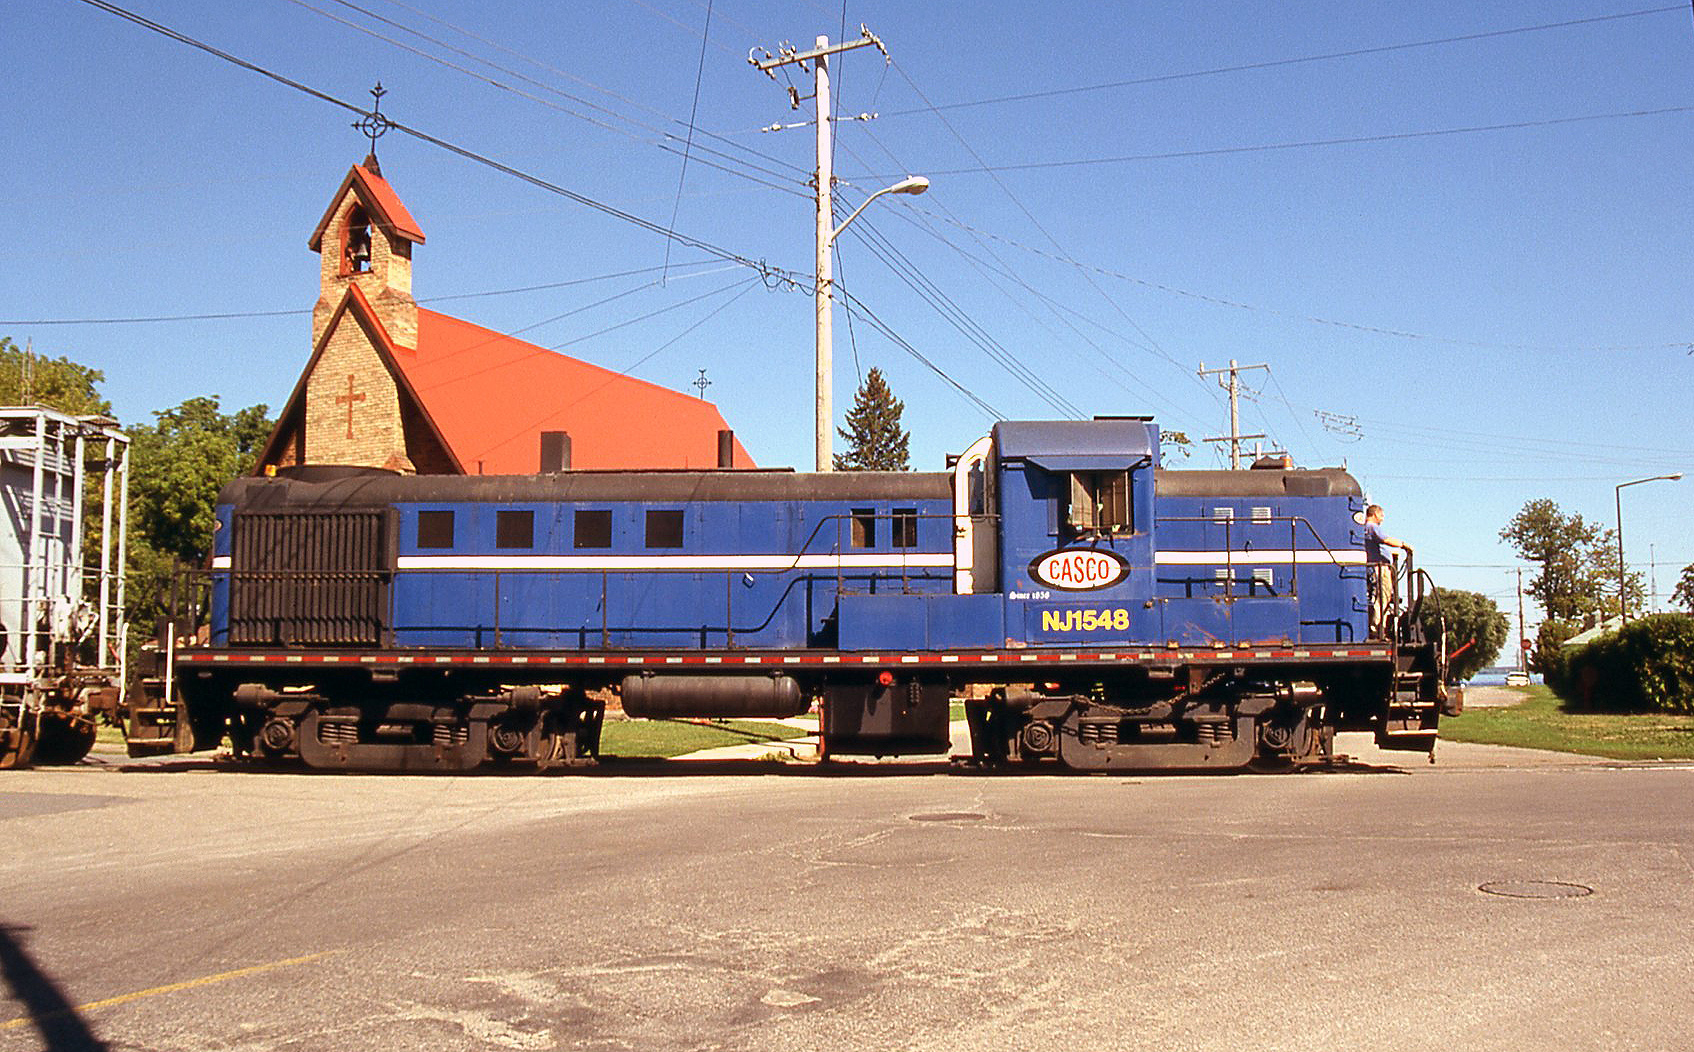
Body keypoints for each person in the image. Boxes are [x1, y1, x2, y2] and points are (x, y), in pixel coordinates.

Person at [1364, 504, 1413, 637]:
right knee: (1383, 596)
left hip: (1380, 567)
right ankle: (1377, 628)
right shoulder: (1372, 527)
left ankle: (1381, 626)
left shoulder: (1367, 528)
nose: (1383, 518)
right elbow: (1386, 539)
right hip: (1380, 568)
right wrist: (1403, 545)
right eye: (1381, 515)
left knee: (1384, 596)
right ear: (1374, 514)